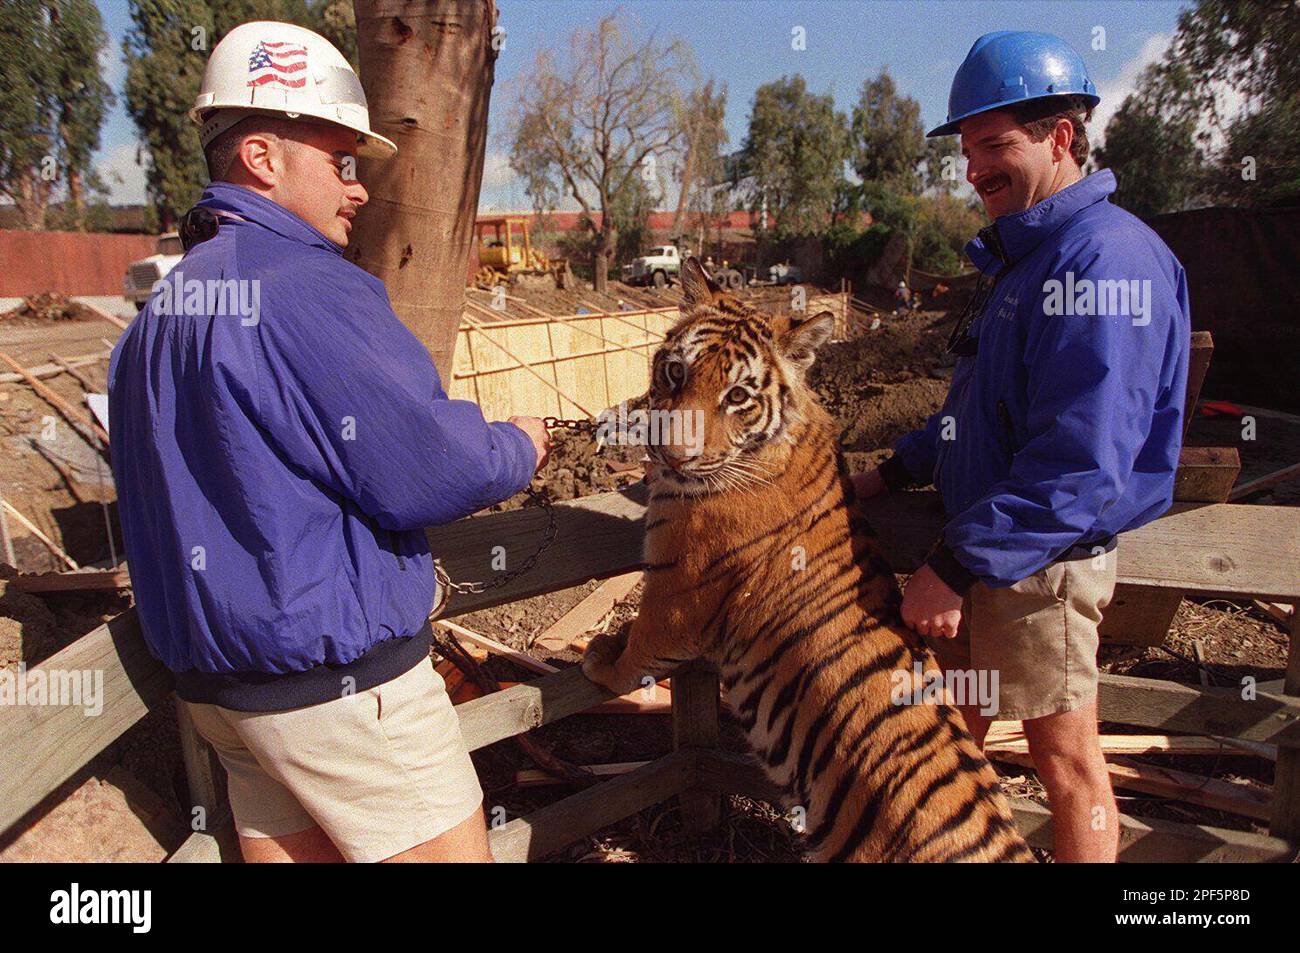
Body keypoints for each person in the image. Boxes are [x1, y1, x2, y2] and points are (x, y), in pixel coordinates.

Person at [108, 21, 550, 863]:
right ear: (264, 159)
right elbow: (426, 466)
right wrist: (520, 445)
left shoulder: (155, 318)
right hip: (343, 698)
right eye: (340, 162)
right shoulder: (309, 288)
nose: (357, 190)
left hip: (224, 701)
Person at [853, 30, 1190, 862]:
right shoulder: (1028, 262)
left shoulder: (1106, 262)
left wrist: (956, 565)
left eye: (995, 144)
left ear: (1062, 137)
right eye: (967, 150)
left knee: (1065, 760)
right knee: (947, 736)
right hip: (992, 549)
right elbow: (982, 414)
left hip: (1042, 562)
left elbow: (1081, 460)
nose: (974, 169)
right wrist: (891, 471)